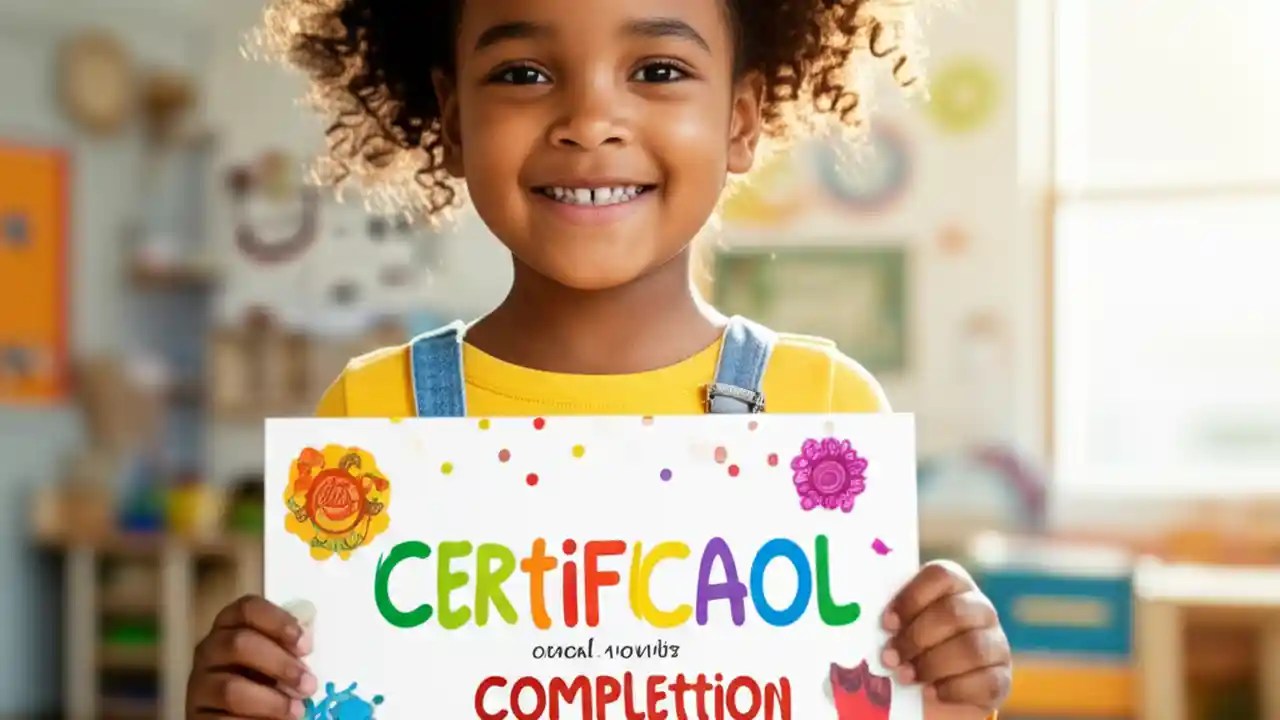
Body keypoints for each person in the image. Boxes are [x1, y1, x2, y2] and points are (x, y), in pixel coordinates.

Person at [186, 0, 1012, 718]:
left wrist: (939, 697)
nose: (588, 118)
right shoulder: (371, 418)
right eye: (520, 74)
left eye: (655, 67)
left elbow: (863, 693)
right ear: (454, 119)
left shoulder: (825, 411)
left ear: (741, 119)